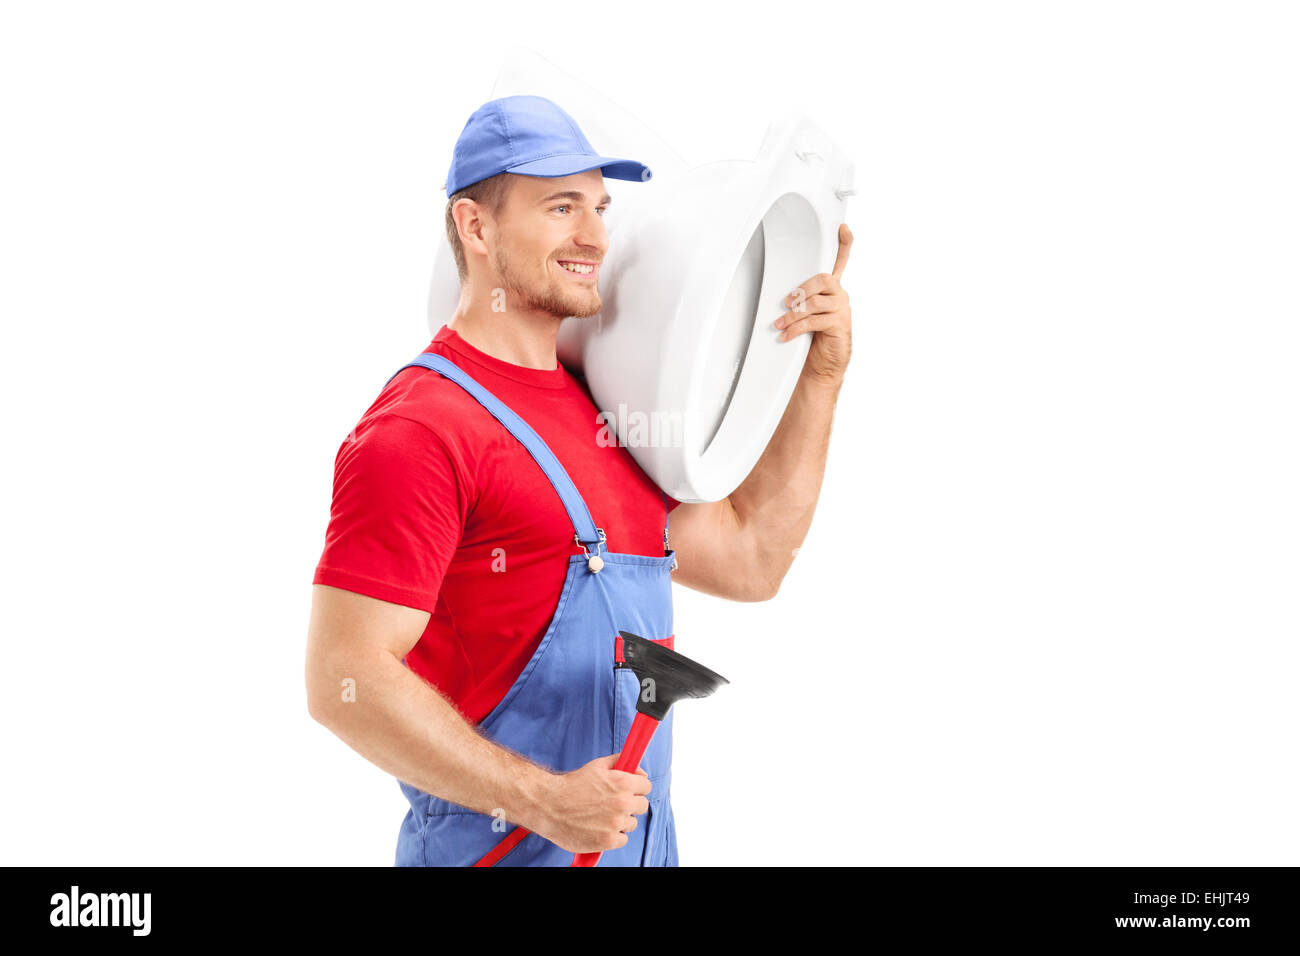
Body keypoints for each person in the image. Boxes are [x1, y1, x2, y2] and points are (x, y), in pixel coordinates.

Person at [305, 95, 854, 866]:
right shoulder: (420, 430)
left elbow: (752, 560)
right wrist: (544, 801)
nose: (595, 235)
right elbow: (342, 678)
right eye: (562, 207)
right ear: (476, 226)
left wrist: (818, 376)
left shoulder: (610, 409)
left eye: (599, 206)